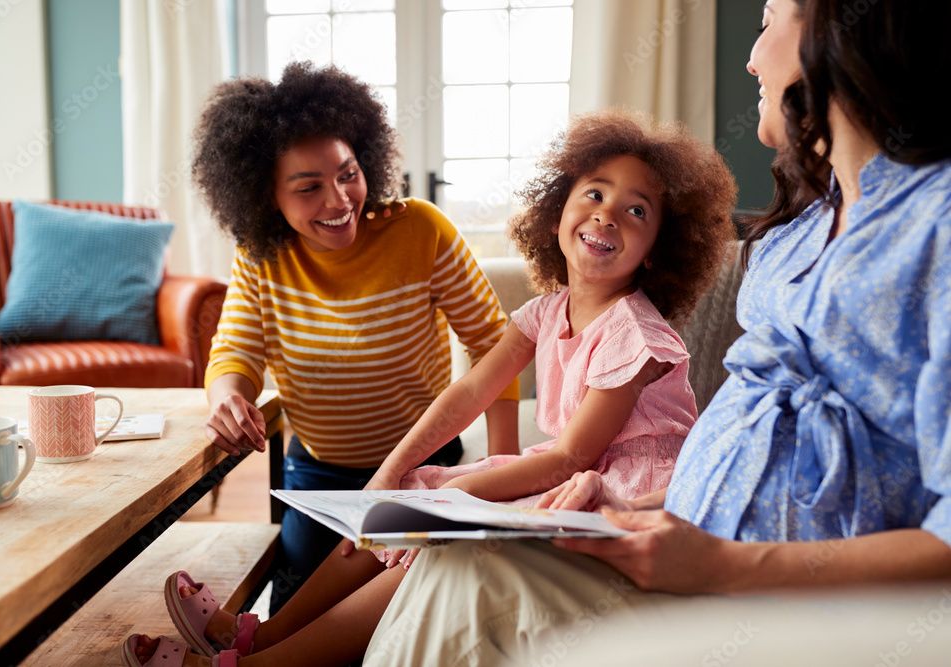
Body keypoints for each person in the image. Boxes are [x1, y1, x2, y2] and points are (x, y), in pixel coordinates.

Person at [363, 1, 951, 664]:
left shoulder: (937, 229)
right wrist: (634, 501)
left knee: (467, 578)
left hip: (774, 600)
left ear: (837, 29)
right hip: (687, 551)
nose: (752, 58)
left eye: (768, 20)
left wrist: (723, 563)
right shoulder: (797, 242)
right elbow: (756, 450)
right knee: (456, 562)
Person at [121, 108, 738, 666]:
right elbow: (468, 392)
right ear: (556, 216)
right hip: (555, 471)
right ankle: (259, 635)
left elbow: (573, 457)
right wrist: (393, 473)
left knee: (431, 543)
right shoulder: (547, 312)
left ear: (659, 249)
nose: (607, 213)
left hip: (620, 487)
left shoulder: (637, 335)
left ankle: (255, 666)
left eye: (636, 211)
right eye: (595, 194)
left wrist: (454, 497)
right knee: (390, 506)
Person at [191, 61, 521, 614]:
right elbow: (237, 352)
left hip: (423, 465)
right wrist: (228, 396)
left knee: (389, 616)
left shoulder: (420, 229)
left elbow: (493, 344)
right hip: (320, 474)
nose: (339, 199)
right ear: (266, 195)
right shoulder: (261, 257)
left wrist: (506, 466)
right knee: (295, 611)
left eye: (347, 173)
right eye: (309, 187)